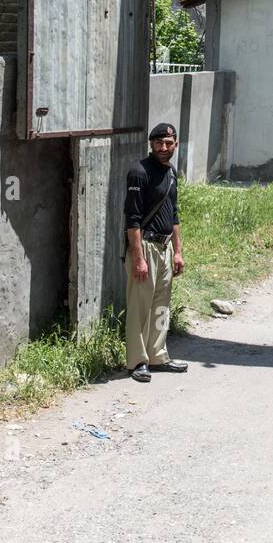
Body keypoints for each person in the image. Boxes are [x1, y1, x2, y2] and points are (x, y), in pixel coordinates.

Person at [123, 122, 188, 383]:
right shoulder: (139, 173)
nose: (164, 148)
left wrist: (178, 252)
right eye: (159, 143)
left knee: (161, 306)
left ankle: (158, 355)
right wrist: (138, 258)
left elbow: (174, 214)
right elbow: (133, 219)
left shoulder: (171, 172)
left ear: (176, 145)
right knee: (140, 307)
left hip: (165, 248)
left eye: (169, 143)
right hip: (145, 248)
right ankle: (137, 361)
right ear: (151, 144)